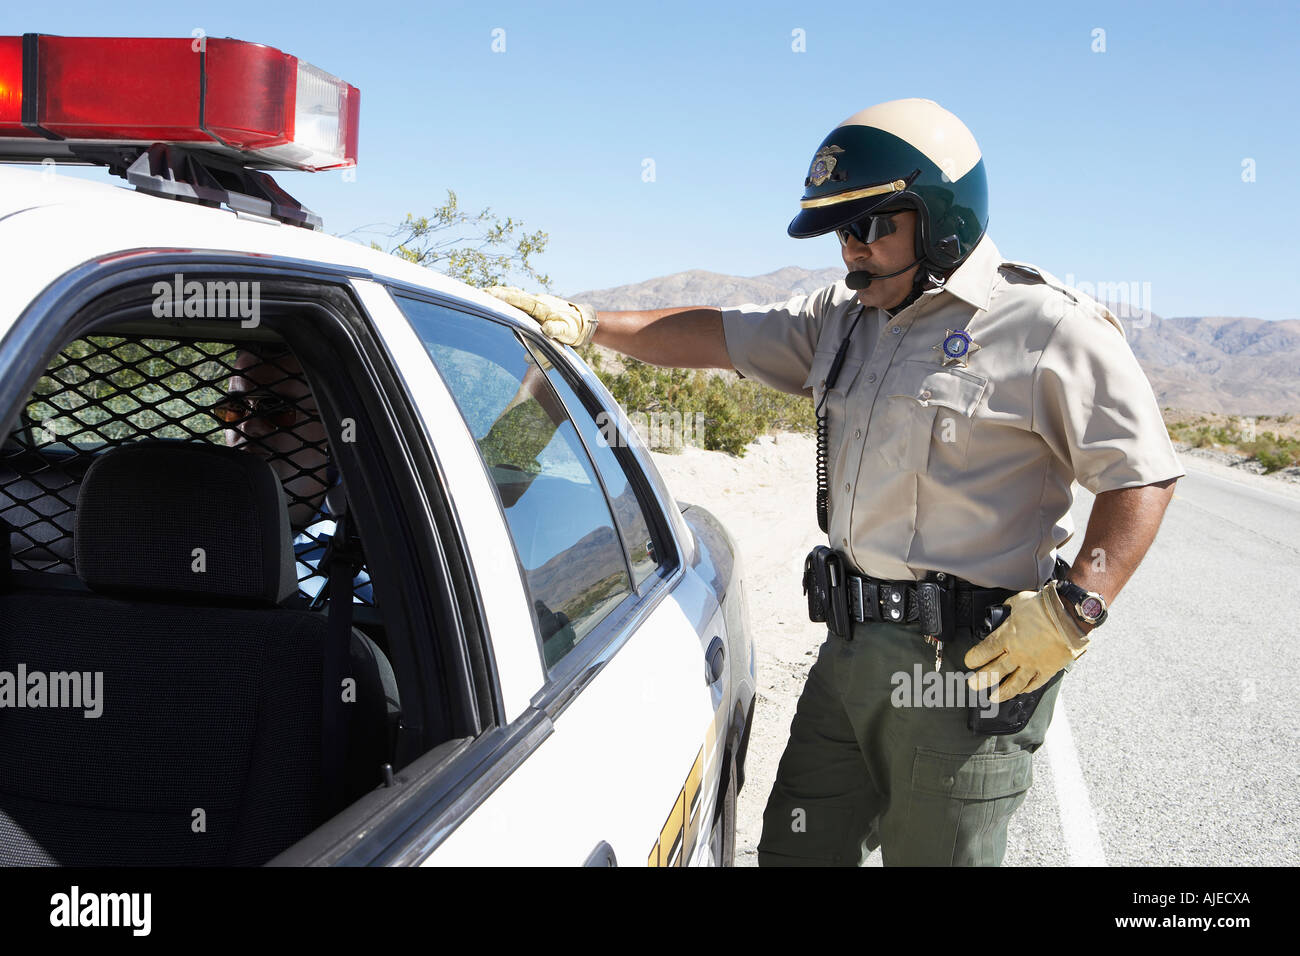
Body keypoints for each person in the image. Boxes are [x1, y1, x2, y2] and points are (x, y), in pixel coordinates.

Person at [486, 97, 1182, 866]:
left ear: (941, 216)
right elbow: (718, 334)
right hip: (849, 653)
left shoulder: (1048, 325)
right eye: (840, 230)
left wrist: (1078, 607)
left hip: (967, 671)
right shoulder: (842, 317)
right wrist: (588, 326)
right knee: (795, 853)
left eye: (872, 224)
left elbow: (1140, 473)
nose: (851, 249)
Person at [217, 345, 372, 604]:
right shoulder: (181, 528)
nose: (248, 426)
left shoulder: (377, 554)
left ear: (330, 426)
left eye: (276, 409)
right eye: (235, 407)